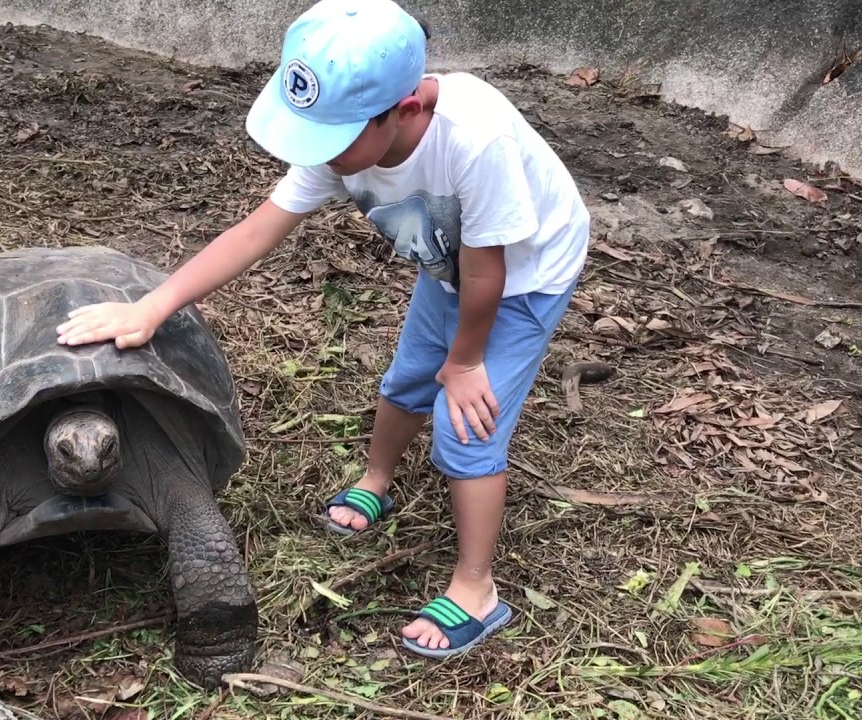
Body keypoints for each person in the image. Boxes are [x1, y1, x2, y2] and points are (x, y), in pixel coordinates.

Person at [55, 0, 590, 659]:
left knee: (464, 424)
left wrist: (468, 360)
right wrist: (153, 306)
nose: (319, 153)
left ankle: (477, 587)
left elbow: (488, 274)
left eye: (330, 138)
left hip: (521, 276)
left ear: (408, 108)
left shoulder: (477, 140)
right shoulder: (339, 145)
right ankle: (376, 479)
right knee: (405, 381)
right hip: (445, 259)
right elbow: (255, 231)